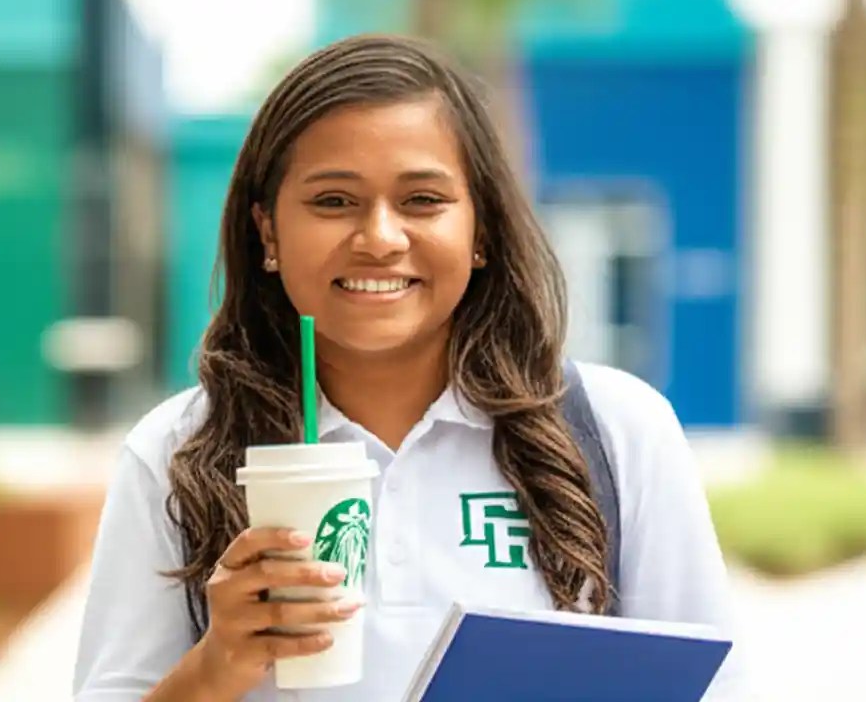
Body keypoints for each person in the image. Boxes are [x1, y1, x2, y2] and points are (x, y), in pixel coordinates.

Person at [73, 34, 745, 701]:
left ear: (481, 230)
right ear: (269, 233)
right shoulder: (175, 452)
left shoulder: (617, 429)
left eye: (422, 201)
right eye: (333, 202)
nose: (380, 239)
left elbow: (711, 685)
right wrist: (218, 665)